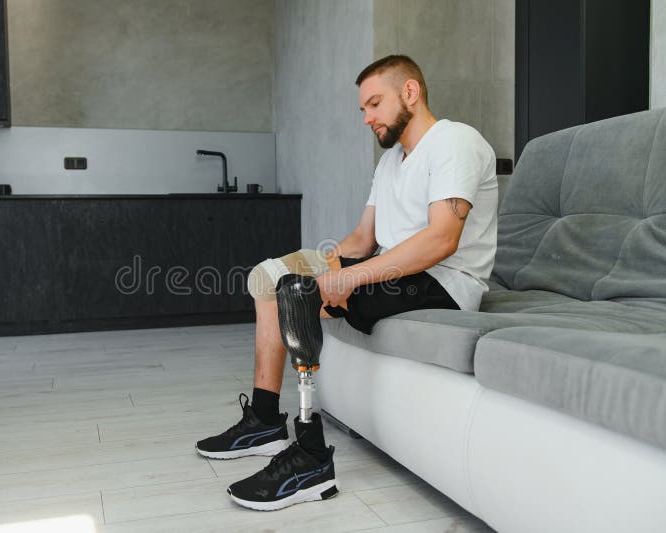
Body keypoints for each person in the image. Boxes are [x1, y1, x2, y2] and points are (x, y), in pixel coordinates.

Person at [196, 54, 498, 510]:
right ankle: (263, 420)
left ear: (411, 92)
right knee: (270, 278)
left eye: (374, 104)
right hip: (394, 268)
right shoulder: (392, 160)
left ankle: (312, 458)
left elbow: (442, 239)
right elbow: (363, 238)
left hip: (443, 282)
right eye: (363, 109)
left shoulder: (455, 142)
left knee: (296, 297)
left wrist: (348, 277)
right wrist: (330, 268)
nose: (367, 118)